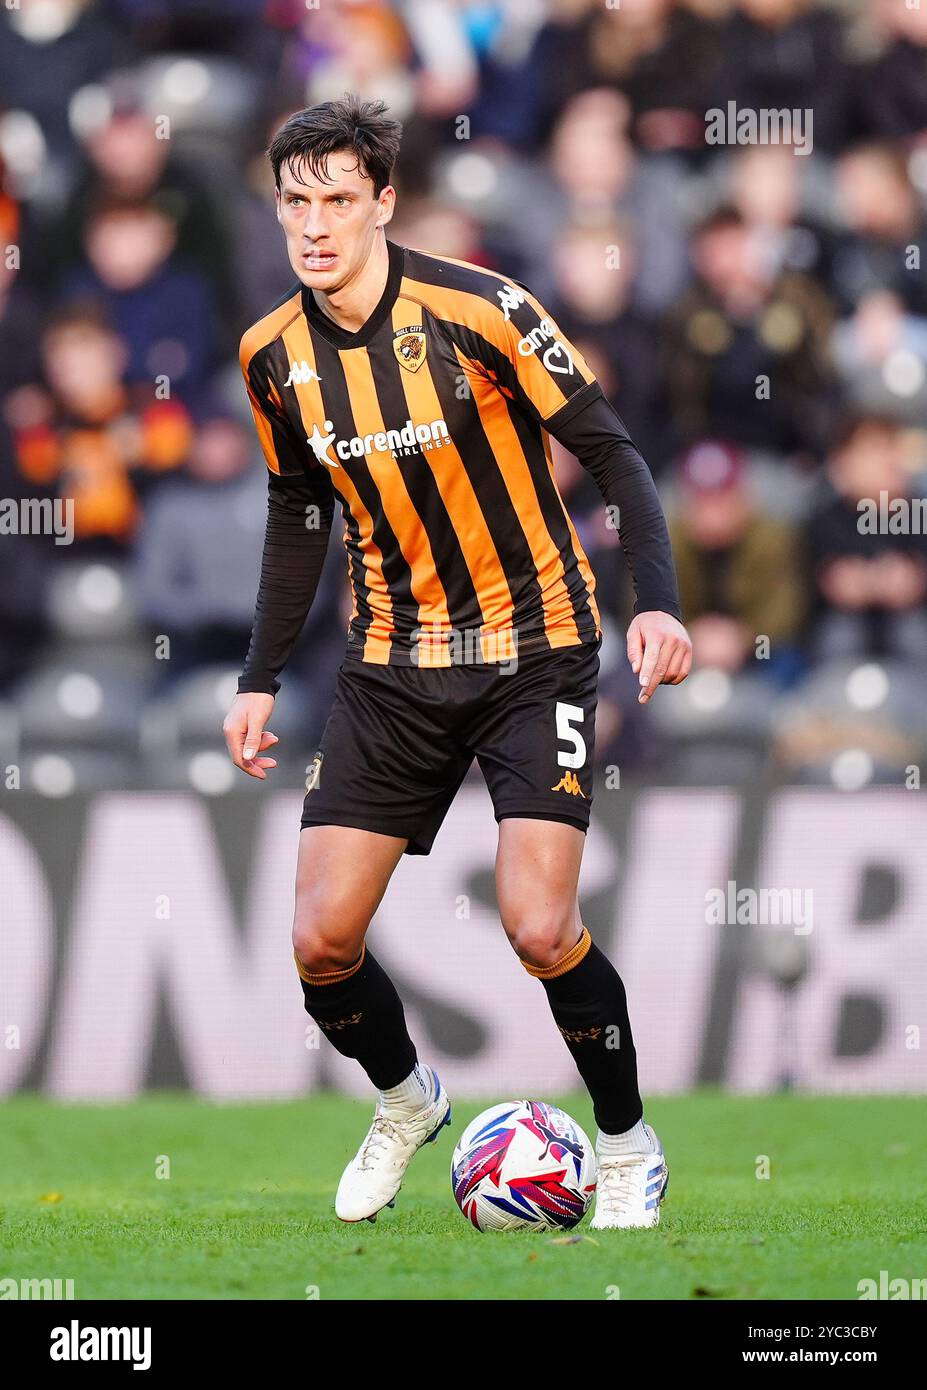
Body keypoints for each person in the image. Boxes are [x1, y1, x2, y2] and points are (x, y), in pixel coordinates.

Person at [222, 96, 691, 1230]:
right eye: (297, 203)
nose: (317, 226)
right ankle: (406, 1099)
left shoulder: (481, 309)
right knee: (320, 944)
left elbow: (613, 454)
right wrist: (259, 674)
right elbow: (297, 513)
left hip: (536, 647)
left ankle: (627, 1143)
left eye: (339, 200)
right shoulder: (271, 357)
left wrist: (658, 604)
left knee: (538, 924)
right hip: (389, 667)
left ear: (386, 201)